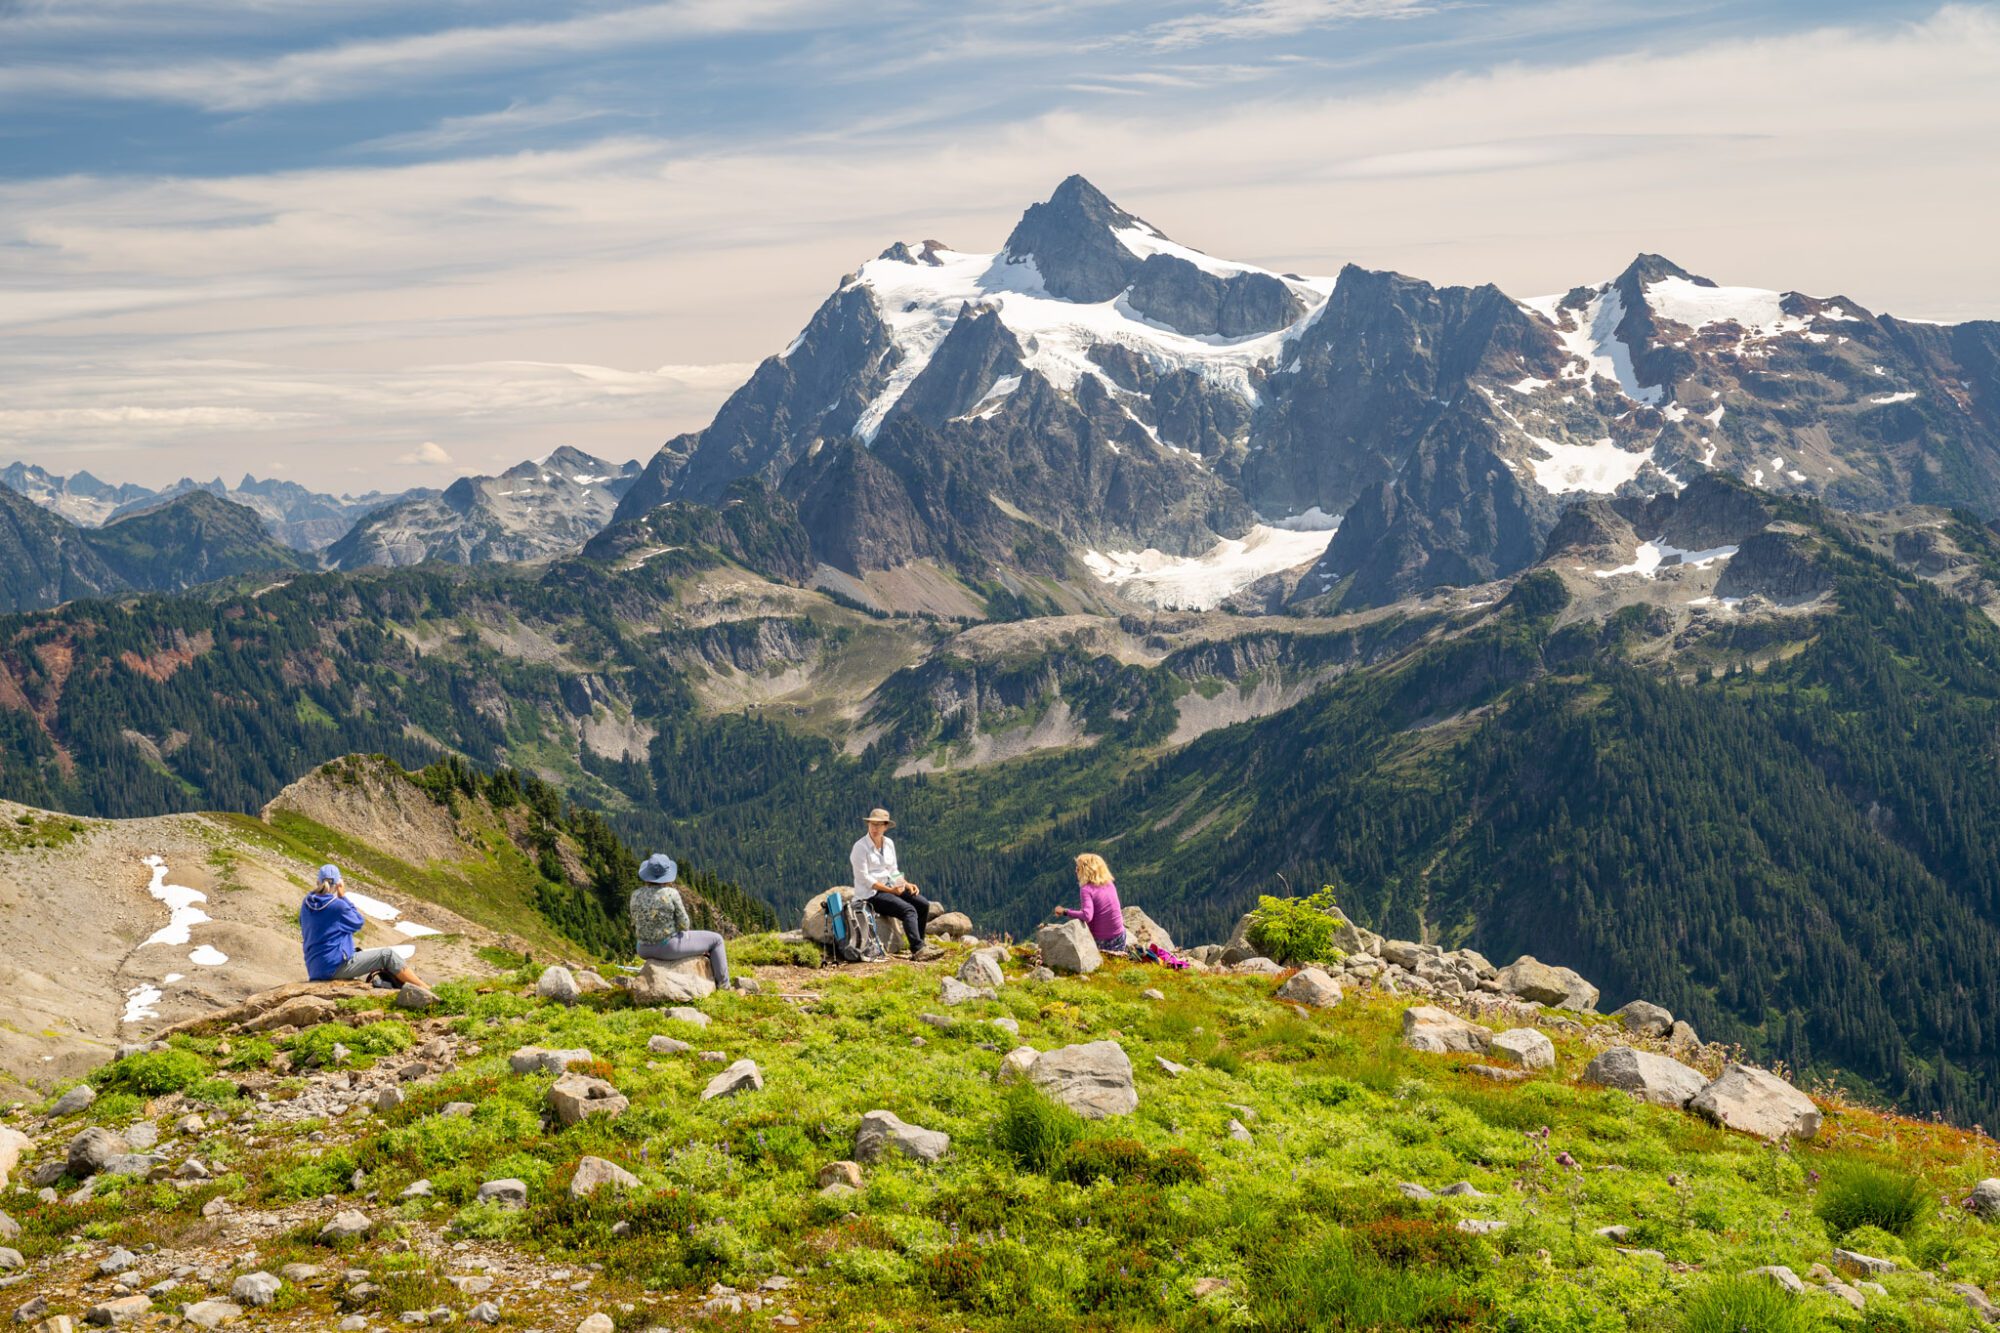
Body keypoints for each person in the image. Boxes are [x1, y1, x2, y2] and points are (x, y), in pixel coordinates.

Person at [300, 864, 427, 988]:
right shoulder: (337, 905)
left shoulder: (306, 904)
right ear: (338, 883)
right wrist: (343, 896)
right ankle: (426, 989)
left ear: (318, 882)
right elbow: (358, 922)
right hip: (333, 967)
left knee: (358, 952)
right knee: (387, 955)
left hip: (314, 968)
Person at [630, 854, 733, 988]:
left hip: (643, 949)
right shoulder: (671, 893)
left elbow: (635, 921)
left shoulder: (636, 894)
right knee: (717, 940)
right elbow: (685, 924)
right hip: (668, 947)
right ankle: (725, 987)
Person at [850, 808, 938, 959]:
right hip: (871, 895)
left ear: (885, 826)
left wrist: (906, 883)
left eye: (879, 825)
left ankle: (921, 943)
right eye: (872, 824)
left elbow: (893, 870)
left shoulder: (889, 844)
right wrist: (891, 891)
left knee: (923, 904)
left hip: (890, 888)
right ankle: (918, 949)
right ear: (868, 825)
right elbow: (864, 878)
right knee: (908, 910)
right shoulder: (860, 847)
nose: (875, 828)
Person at [1055, 852, 1128, 955]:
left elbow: (1087, 916)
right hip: (1120, 937)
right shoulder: (1109, 883)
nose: (1075, 870)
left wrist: (1065, 911)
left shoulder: (1086, 889)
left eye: (1078, 868)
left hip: (1102, 942)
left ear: (1086, 870)